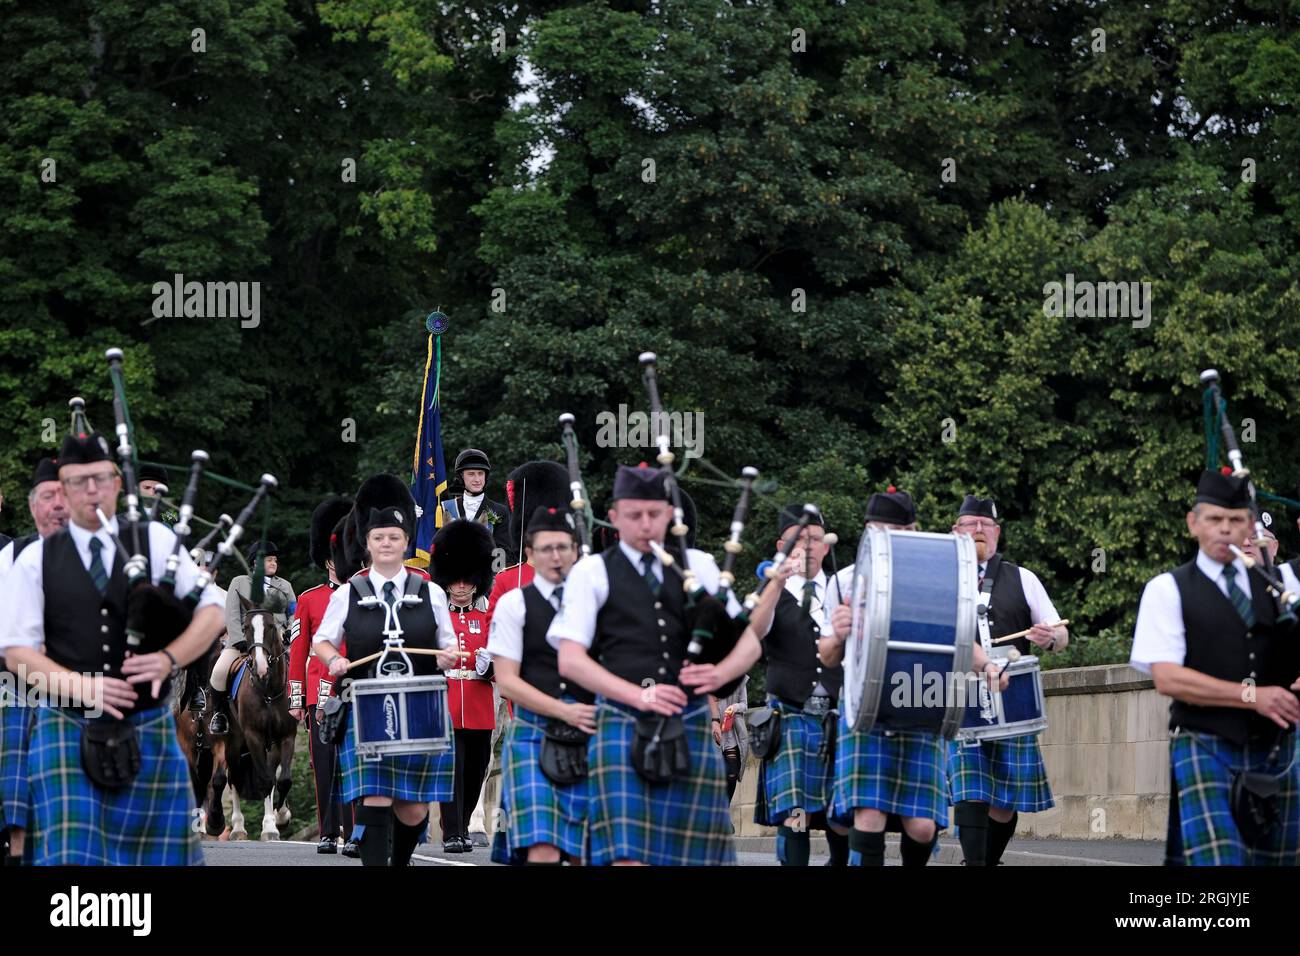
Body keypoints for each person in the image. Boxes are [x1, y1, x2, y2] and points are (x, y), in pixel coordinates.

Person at [0, 430, 225, 865]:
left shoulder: (155, 542)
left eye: (101, 478)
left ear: (117, 484)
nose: (91, 490)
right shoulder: (34, 560)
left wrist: (169, 658)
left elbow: (213, 611)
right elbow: (17, 652)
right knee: (71, 861)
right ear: (63, 489)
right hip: (66, 724)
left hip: (149, 724)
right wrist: (87, 689)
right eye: (78, 481)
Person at [548, 464, 743, 865]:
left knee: (695, 857)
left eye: (655, 514)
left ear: (670, 516)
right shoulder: (593, 571)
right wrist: (639, 695)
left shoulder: (700, 567)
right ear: (615, 517)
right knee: (626, 858)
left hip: (687, 721)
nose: (645, 524)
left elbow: (749, 641)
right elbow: (570, 660)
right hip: (621, 721)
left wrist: (721, 674)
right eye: (634, 515)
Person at [821, 487, 1006, 866]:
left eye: (890, 528)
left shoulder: (936, 577)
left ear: (911, 529)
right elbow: (826, 654)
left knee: (922, 826)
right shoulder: (846, 579)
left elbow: (958, 639)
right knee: (868, 814)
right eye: (875, 528)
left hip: (922, 700)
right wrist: (838, 633)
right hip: (867, 708)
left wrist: (987, 666)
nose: (881, 537)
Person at [1132, 469, 1300, 865]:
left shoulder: (1278, 586)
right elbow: (1167, 677)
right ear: (1194, 523)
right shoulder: (1167, 588)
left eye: (1236, 520)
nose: (1226, 529)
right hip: (1205, 743)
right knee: (1220, 862)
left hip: (1278, 749)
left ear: (1249, 526)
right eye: (1214, 519)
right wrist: (1251, 696)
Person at [312, 474, 463, 866]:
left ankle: (398, 861)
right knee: (376, 794)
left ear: (406, 542)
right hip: (367, 703)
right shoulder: (348, 593)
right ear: (367, 543)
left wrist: (449, 655)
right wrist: (334, 660)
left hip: (422, 705)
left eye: (394, 537)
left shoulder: (430, 591)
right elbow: (321, 640)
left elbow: (450, 642)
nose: (386, 544)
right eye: (379, 538)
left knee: (413, 810)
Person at [947, 494, 1067, 865]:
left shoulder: (1023, 578)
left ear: (997, 533)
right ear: (956, 531)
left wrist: (1051, 638)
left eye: (986, 525)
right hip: (960, 691)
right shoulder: (941, 577)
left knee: (1004, 801)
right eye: (971, 524)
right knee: (970, 789)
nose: (979, 530)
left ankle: (988, 859)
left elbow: (1061, 636)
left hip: (1013, 698)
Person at [487, 505, 595, 864]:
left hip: (592, 735)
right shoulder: (513, 605)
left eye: (563, 547)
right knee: (542, 848)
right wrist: (562, 709)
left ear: (576, 551)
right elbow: (507, 683)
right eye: (546, 548)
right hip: (534, 733)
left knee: (584, 850)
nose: (556, 556)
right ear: (530, 554)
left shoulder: (599, 603)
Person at [0, 457, 68, 865]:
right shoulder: (14, 555)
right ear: (31, 505)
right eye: (47, 496)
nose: (57, 505)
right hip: (18, 686)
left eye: (65, 495)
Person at [288, 496, 356, 854]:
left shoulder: (363, 593)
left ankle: (356, 829)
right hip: (321, 690)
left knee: (354, 760)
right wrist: (297, 699)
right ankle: (329, 830)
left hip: (356, 688)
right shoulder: (309, 598)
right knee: (325, 764)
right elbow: (298, 652)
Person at [430, 519, 497, 853]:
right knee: (451, 770)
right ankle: (453, 830)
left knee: (476, 771)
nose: (460, 586)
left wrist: (491, 664)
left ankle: (463, 819)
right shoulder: (437, 617)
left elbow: (505, 664)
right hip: (447, 706)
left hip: (480, 705)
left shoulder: (487, 619)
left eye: (467, 580)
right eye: (455, 580)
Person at [210, 540, 297, 734]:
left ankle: (304, 711)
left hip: (279, 642)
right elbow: (231, 614)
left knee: (305, 667)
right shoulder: (239, 582)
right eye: (268, 560)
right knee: (219, 672)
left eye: (275, 560)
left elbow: (294, 612)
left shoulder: (285, 585)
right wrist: (239, 638)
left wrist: (291, 630)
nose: (274, 563)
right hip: (244, 642)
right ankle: (220, 714)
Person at [443, 448, 512, 558]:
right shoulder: (444, 508)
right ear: (461, 476)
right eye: (471, 474)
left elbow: (503, 554)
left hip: (487, 573)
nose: (477, 479)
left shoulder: (500, 512)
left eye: (480, 474)